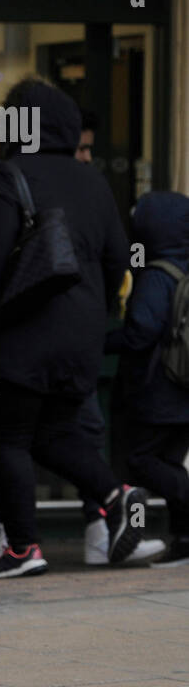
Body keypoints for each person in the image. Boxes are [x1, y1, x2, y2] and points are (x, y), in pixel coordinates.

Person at [0, 112, 163, 565]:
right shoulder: (70, 185)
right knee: (50, 437)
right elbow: (121, 257)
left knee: (16, 439)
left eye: (86, 150)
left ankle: (28, 545)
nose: (82, 157)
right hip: (75, 340)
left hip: (25, 340)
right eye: (79, 147)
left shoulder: (21, 177)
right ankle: (106, 504)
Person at [107, 191, 189, 566]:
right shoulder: (184, 267)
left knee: (140, 461)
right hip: (181, 389)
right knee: (169, 462)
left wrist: (101, 342)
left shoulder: (158, 274)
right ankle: (184, 541)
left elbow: (141, 331)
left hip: (160, 389)